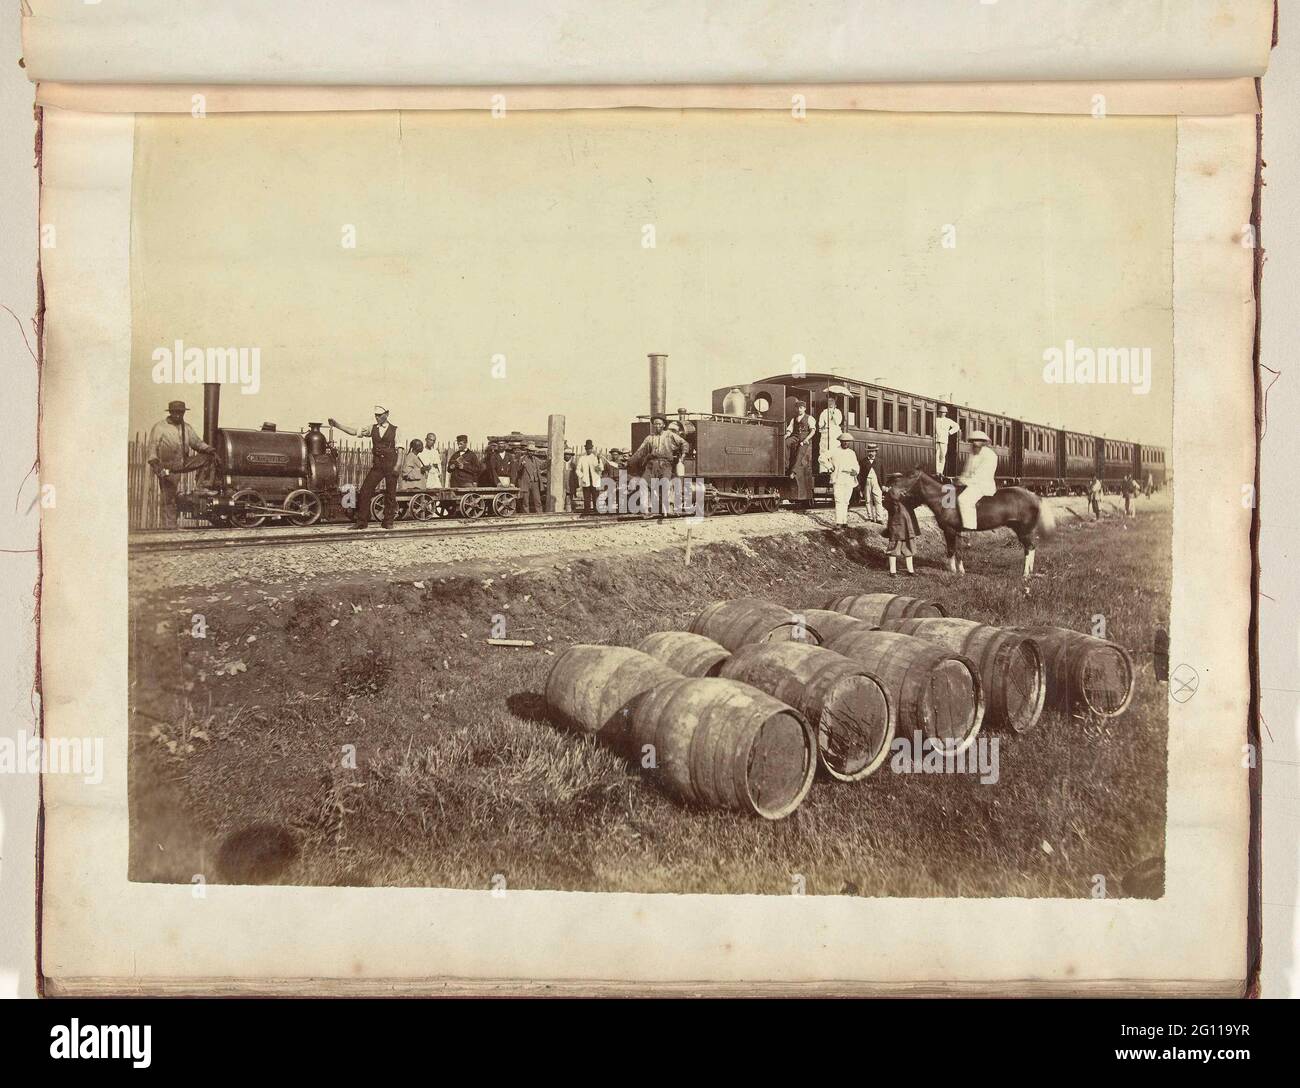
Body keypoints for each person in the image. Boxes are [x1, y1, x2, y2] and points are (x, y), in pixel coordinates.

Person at [146, 399, 215, 529]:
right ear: (170, 412)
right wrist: (157, 466)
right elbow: (152, 449)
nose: (178, 415)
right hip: (168, 467)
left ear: (183, 413)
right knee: (169, 498)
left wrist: (210, 449)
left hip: (183, 463)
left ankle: (202, 487)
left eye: (181, 413)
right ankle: (169, 527)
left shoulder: (187, 427)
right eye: (175, 412)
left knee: (208, 458)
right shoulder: (159, 427)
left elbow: (197, 442)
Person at [328, 405, 399, 529]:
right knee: (365, 491)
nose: (377, 417)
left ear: (387, 414)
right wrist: (337, 425)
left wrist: (397, 465)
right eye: (375, 415)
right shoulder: (372, 429)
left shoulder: (396, 430)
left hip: (391, 464)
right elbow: (354, 431)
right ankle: (361, 522)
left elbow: (401, 450)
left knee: (390, 494)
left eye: (379, 415)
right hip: (378, 465)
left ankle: (388, 522)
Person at [631, 415, 688, 517]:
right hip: (651, 465)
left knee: (666, 484)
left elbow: (684, 443)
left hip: (665, 464)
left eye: (659, 424)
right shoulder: (649, 438)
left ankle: (668, 510)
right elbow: (639, 452)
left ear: (664, 425)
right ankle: (645, 510)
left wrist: (682, 457)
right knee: (643, 483)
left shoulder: (670, 435)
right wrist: (629, 462)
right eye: (655, 424)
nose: (657, 426)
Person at [955, 429, 998, 531]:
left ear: (984, 442)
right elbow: (966, 471)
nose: (974, 443)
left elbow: (982, 475)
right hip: (971, 483)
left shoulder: (990, 455)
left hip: (983, 485)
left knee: (964, 499)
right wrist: (960, 479)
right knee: (949, 492)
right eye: (973, 441)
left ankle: (969, 528)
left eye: (978, 440)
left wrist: (965, 482)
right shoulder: (972, 454)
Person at [883, 474, 921, 576]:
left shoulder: (904, 492)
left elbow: (914, 503)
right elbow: (891, 504)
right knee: (895, 545)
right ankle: (893, 571)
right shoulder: (893, 491)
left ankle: (910, 570)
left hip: (906, 522)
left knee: (908, 545)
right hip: (898, 523)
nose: (901, 482)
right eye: (899, 480)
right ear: (895, 482)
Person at [785, 402, 816, 505]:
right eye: (798, 408)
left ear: (805, 409)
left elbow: (813, 431)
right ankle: (785, 465)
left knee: (800, 452)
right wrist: (786, 436)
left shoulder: (809, 418)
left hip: (805, 439)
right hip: (796, 437)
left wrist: (807, 439)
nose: (799, 410)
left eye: (801, 408)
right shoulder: (794, 419)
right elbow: (790, 429)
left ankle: (794, 471)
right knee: (786, 443)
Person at [827, 431, 860, 528]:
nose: (846, 443)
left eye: (847, 441)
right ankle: (838, 522)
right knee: (838, 500)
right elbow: (822, 458)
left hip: (848, 479)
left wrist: (856, 471)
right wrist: (830, 466)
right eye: (844, 441)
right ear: (840, 441)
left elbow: (856, 465)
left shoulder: (852, 453)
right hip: (838, 478)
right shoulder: (834, 451)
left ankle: (844, 521)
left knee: (846, 501)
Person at [512, 444, 544, 513]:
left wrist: (549, 461)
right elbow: (518, 471)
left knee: (537, 500)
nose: (531, 452)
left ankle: (540, 515)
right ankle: (526, 515)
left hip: (534, 482)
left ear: (534, 452)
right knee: (525, 501)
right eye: (529, 451)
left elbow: (542, 467)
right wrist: (522, 466)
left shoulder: (536, 459)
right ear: (527, 451)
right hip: (525, 483)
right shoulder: (522, 459)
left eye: (532, 451)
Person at [575, 440, 603, 515]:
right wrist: (582, 476)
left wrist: (599, 461)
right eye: (587, 449)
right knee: (586, 497)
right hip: (586, 480)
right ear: (585, 449)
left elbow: (601, 469)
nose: (589, 450)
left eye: (590, 448)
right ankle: (587, 511)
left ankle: (596, 510)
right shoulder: (582, 458)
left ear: (592, 449)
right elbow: (577, 470)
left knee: (595, 496)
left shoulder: (596, 457)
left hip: (595, 480)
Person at [816, 399, 843, 474]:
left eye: (832, 402)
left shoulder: (838, 412)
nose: (831, 404)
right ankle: (824, 470)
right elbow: (821, 423)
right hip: (826, 433)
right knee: (824, 450)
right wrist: (824, 426)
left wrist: (833, 414)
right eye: (829, 402)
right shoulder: (824, 412)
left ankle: (834, 469)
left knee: (834, 449)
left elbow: (838, 422)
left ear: (835, 404)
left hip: (835, 433)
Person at [859, 443, 884, 523]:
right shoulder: (863, 461)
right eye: (869, 451)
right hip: (867, 482)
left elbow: (883, 473)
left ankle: (879, 518)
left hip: (876, 482)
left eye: (873, 451)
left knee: (878, 500)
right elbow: (861, 475)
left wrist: (883, 485)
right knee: (868, 500)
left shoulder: (880, 461)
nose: (871, 453)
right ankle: (870, 517)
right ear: (867, 452)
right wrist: (860, 486)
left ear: (876, 452)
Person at [934, 404, 960, 475]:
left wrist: (949, 432)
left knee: (942, 456)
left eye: (944, 412)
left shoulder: (948, 421)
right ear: (938, 412)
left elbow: (957, 426)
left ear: (946, 413)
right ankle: (937, 471)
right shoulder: (935, 419)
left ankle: (940, 472)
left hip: (944, 440)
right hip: (936, 440)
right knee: (936, 456)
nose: (942, 413)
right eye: (941, 412)